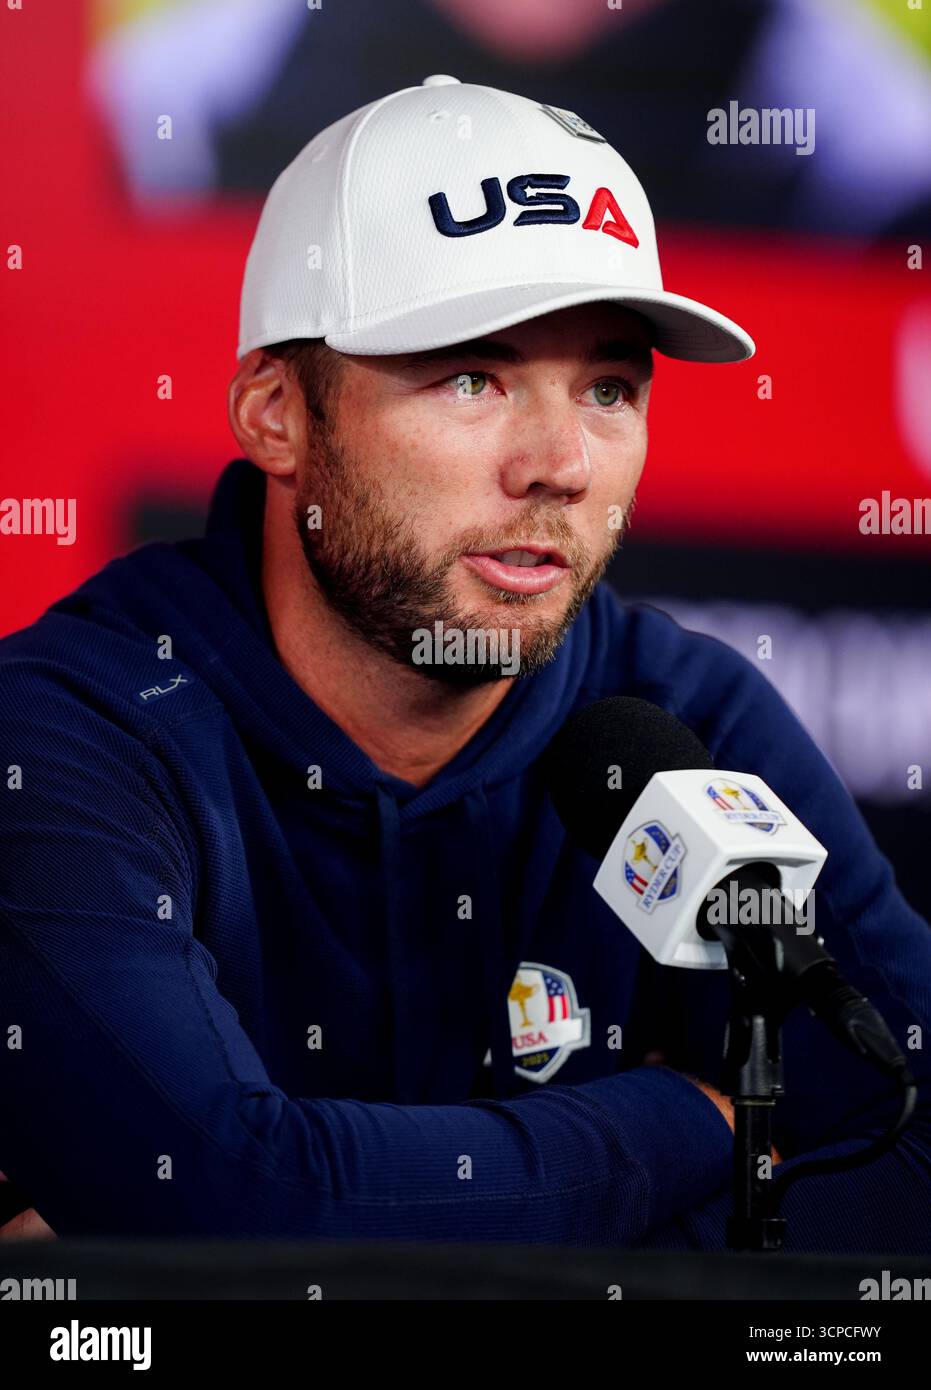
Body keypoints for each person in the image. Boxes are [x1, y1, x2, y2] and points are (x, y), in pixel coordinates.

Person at [0, 77, 928, 1252]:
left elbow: (919, 1144)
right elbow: (224, 1199)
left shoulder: (680, 714)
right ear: (276, 414)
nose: (561, 464)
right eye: (471, 377)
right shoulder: (69, 731)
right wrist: (685, 1125)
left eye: (607, 388)